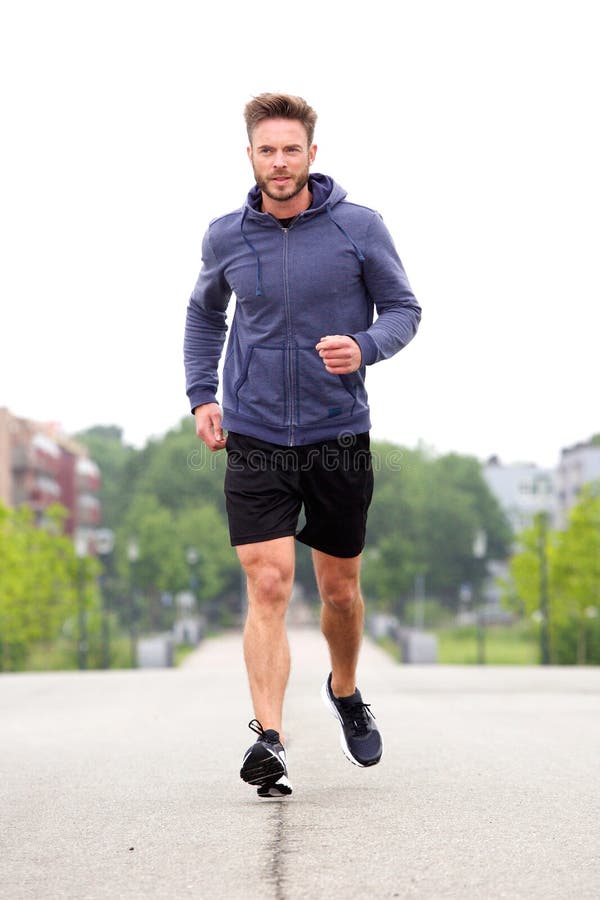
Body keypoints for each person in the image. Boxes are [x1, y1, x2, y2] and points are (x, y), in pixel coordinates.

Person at [184, 93, 421, 798]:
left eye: (291, 149)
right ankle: (270, 739)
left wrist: (366, 346)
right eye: (267, 150)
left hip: (337, 435)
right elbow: (203, 318)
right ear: (251, 156)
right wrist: (203, 396)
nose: (279, 162)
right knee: (267, 581)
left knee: (340, 590)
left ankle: (344, 689)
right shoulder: (226, 235)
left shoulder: (358, 227)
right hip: (254, 432)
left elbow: (405, 309)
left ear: (311, 155)